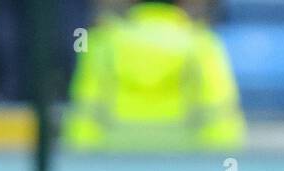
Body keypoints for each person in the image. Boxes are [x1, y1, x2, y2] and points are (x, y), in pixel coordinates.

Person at [64, 0, 244, 152]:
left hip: (114, 167)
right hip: (185, 170)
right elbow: (220, 123)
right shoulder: (203, 44)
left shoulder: (102, 43)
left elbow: (84, 122)